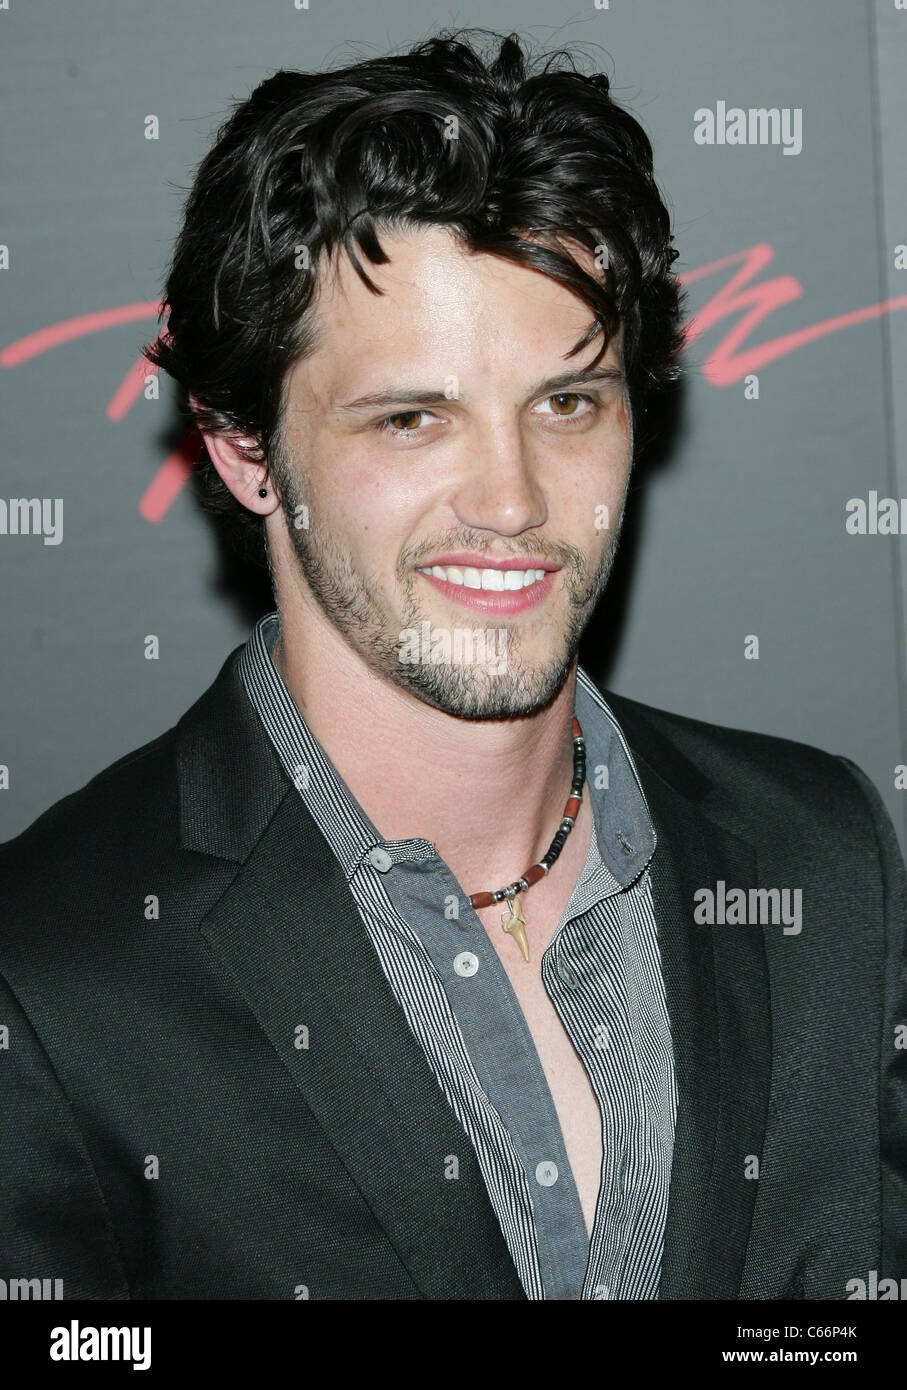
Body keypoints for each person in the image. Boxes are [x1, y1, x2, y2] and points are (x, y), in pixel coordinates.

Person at [1, 28, 904, 1302]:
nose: (513, 497)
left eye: (568, 402)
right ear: (243, 450)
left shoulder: (824, 856)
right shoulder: (49, 971)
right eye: (412, 418)